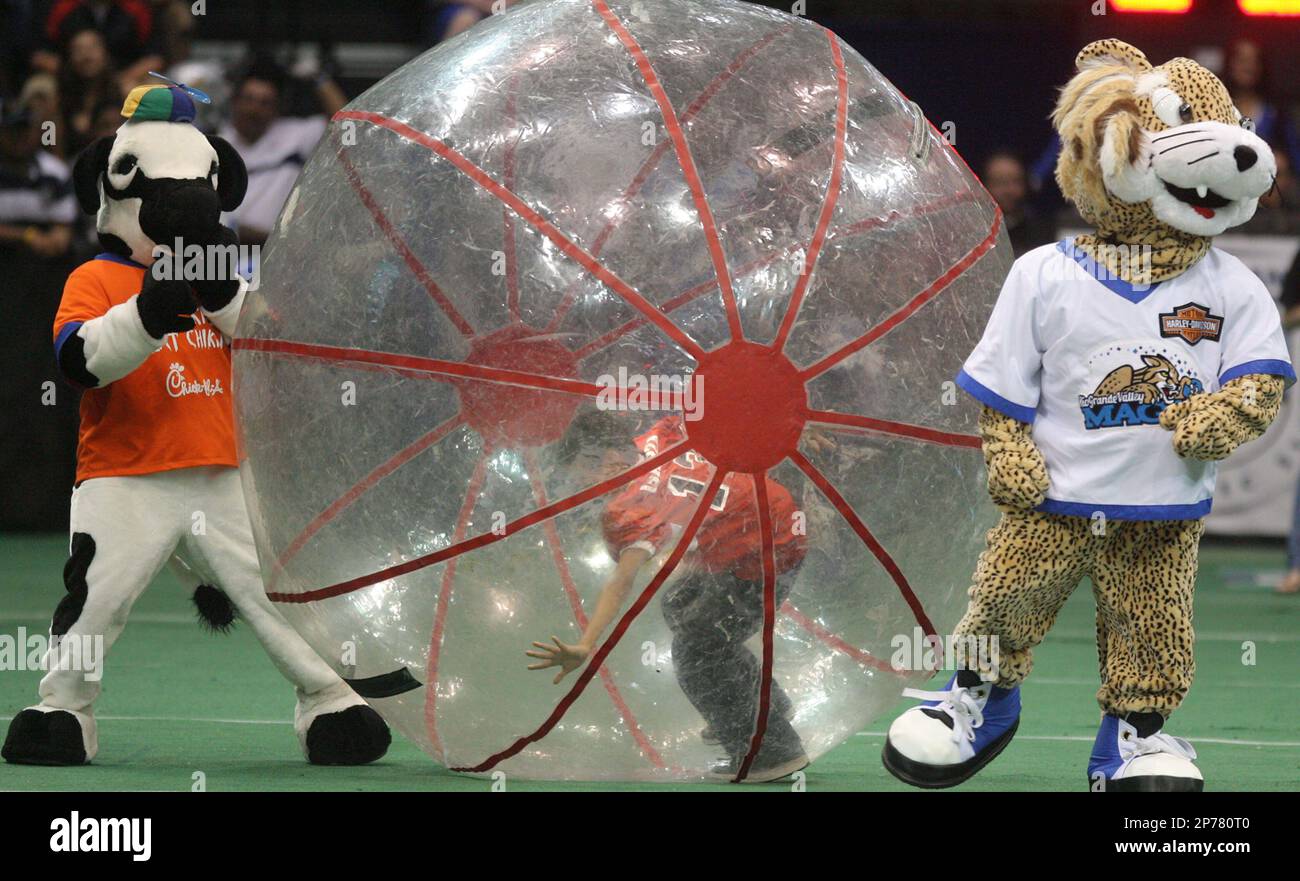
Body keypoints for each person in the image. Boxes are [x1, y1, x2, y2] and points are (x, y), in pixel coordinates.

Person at [526, 408, 810, 782]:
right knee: (680, 602)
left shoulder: (628, 510)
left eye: (578, 474)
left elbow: (621, 582)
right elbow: (702, 412)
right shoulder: (656, 439)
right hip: (771, 523)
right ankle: (763, 704)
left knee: (697, 654)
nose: (577, 486)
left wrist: (587, 643)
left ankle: (772, 751)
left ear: (606, 462)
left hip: (763, 555)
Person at [216, 60, 346, 248]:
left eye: (265, 103)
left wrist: (319, 79)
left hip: (272, 254)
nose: (254, 110)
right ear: (235, 102)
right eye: (248, 99)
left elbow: (347, 126)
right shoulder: (216, 139)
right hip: (220, 255)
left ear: (277, 108)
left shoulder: (295, 135)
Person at [982, 149, 1055, 257]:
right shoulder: (976, 234)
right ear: (984, 186)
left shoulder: (1044, 233)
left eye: (1015, 181)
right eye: (999, 182)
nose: (1007, 191)